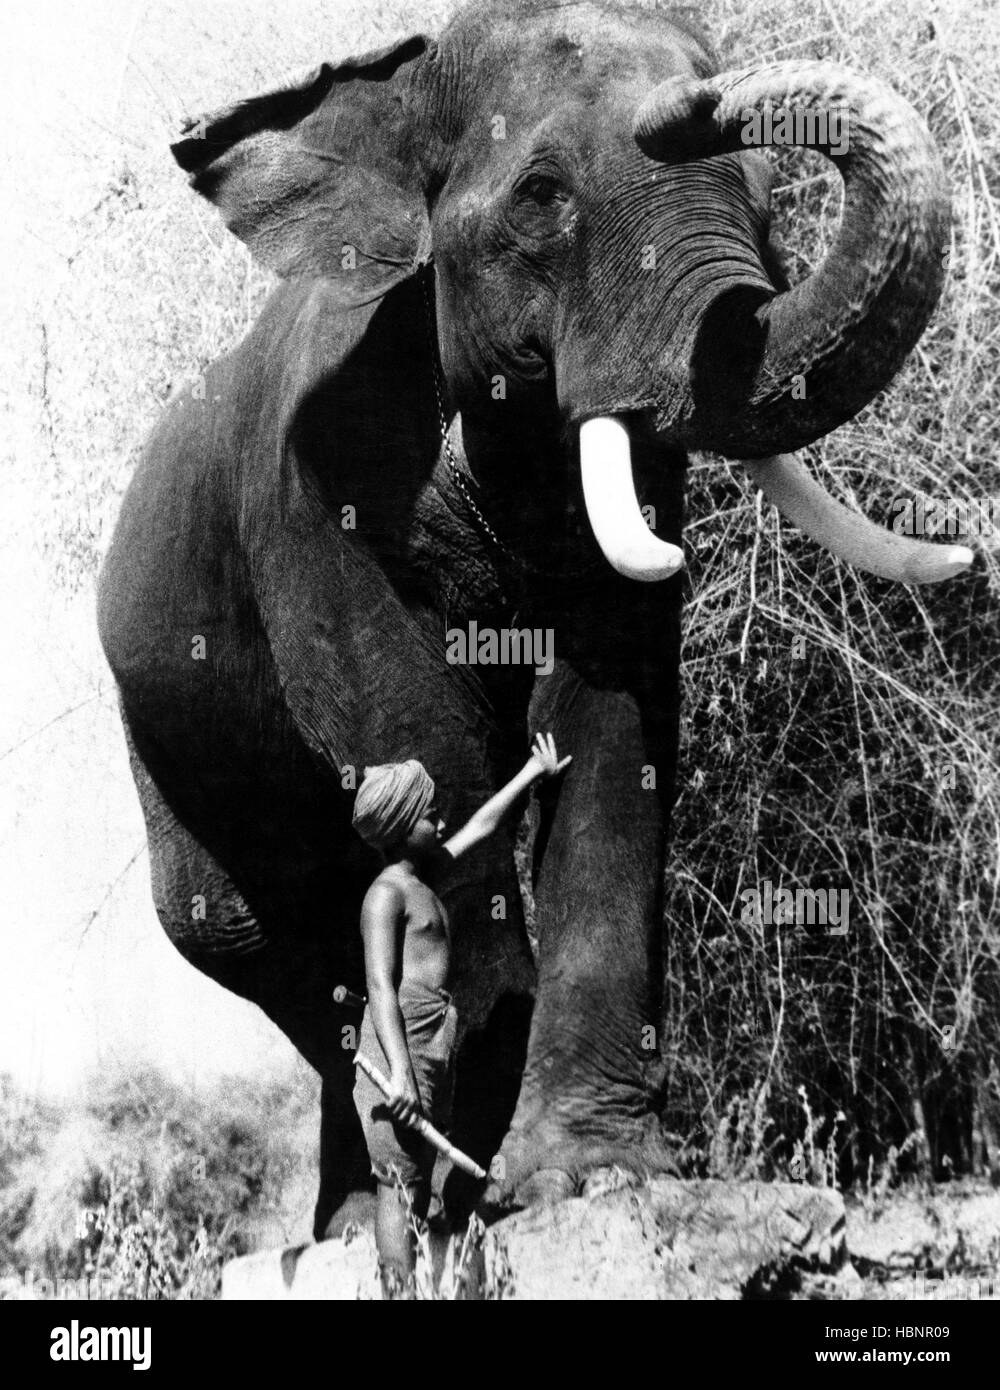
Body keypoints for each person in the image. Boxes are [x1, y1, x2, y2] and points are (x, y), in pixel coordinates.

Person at [350, 731, 570, 1295]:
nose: (441, 822)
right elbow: (379, 984)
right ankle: (398, 1293)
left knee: (417, 1184)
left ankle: (417, 1288)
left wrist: (530, 774)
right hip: (398, 1052)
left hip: (430, 1045)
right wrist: (399, 1072)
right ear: (401, 827)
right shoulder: (386, 895)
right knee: (398, 1185)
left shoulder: (422, 876)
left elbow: (482, 826)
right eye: (429, 815)